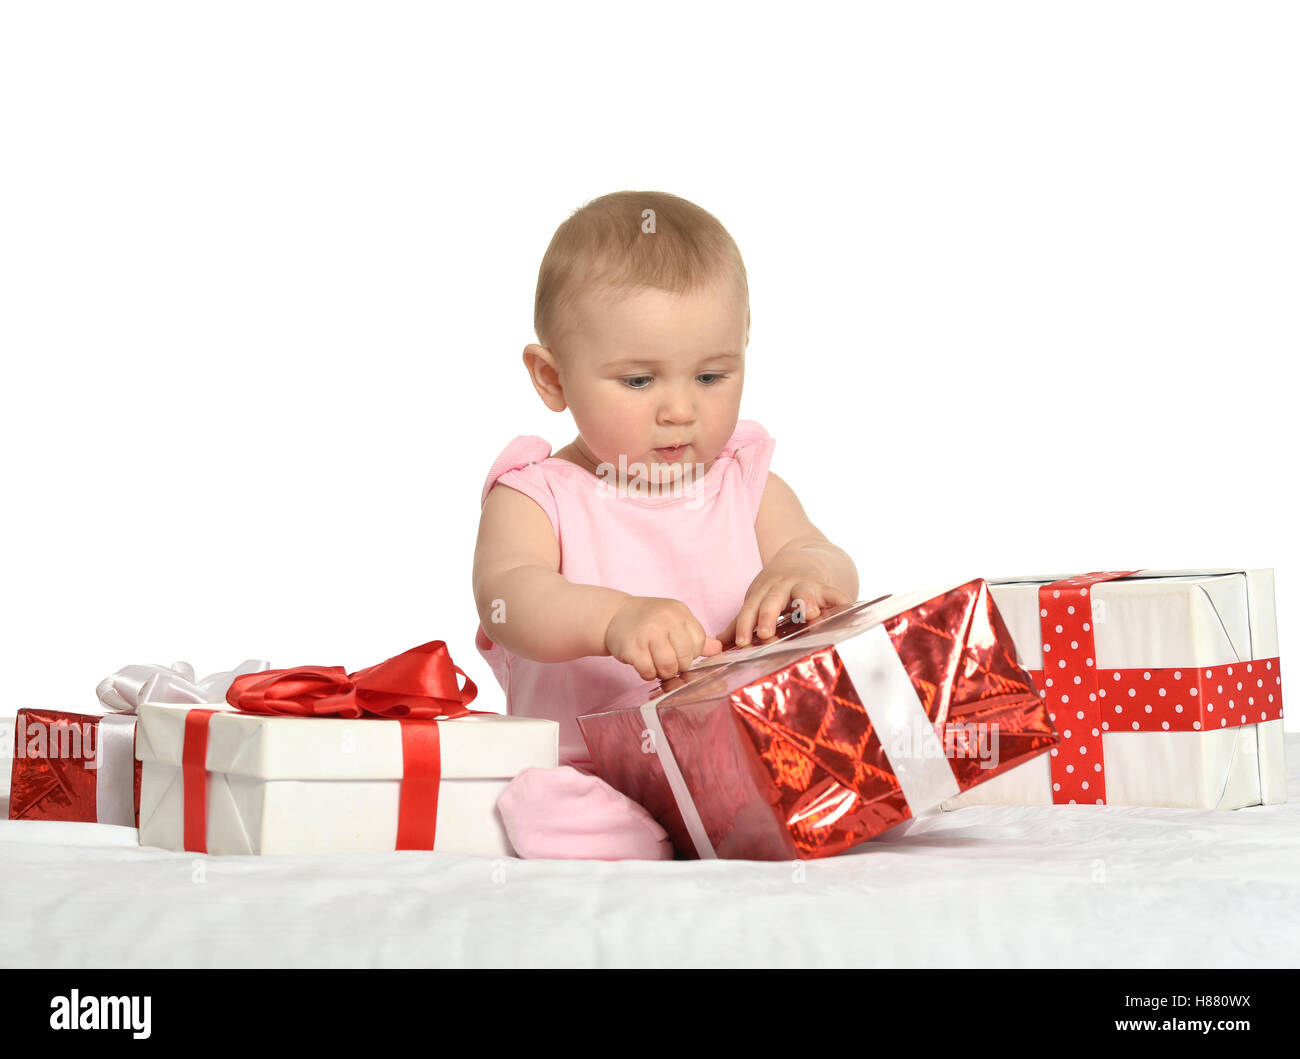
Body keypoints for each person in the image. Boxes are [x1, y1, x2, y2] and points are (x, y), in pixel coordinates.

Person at [472, 190, 859, 858]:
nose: (679, 408)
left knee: (846, 759)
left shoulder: (744, 481)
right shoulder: (538, 493)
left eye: (711, 375)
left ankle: (750, 816)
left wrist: (804, 573)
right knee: (549, 805)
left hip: (737, 751)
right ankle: (647, 832)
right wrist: (614, 618)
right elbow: (510, 596)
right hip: (595, 767)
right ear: (552, 376)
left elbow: (826, 558)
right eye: (639, 382)